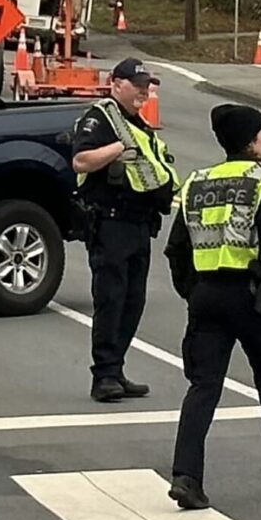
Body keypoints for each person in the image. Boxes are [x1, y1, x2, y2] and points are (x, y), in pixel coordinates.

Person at [166, 103, 261, 512]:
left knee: (203, 387)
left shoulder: (196, 182)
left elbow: (176, 249)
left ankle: (186, 477)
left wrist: (192, 290)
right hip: (254, 298)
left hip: (206, 295)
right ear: (252, 143)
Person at [67, 57, 178, 403]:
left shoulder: (139, 125)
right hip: (110, 221)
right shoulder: (100, 118)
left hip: (139, 223)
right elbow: (80, 161)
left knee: (133, 300)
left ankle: (116, 369)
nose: (144, 91)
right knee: (111, 299)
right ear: (116, 83)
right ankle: (103, 377)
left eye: (147, 85)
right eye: (137, 84)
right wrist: (118, 148)